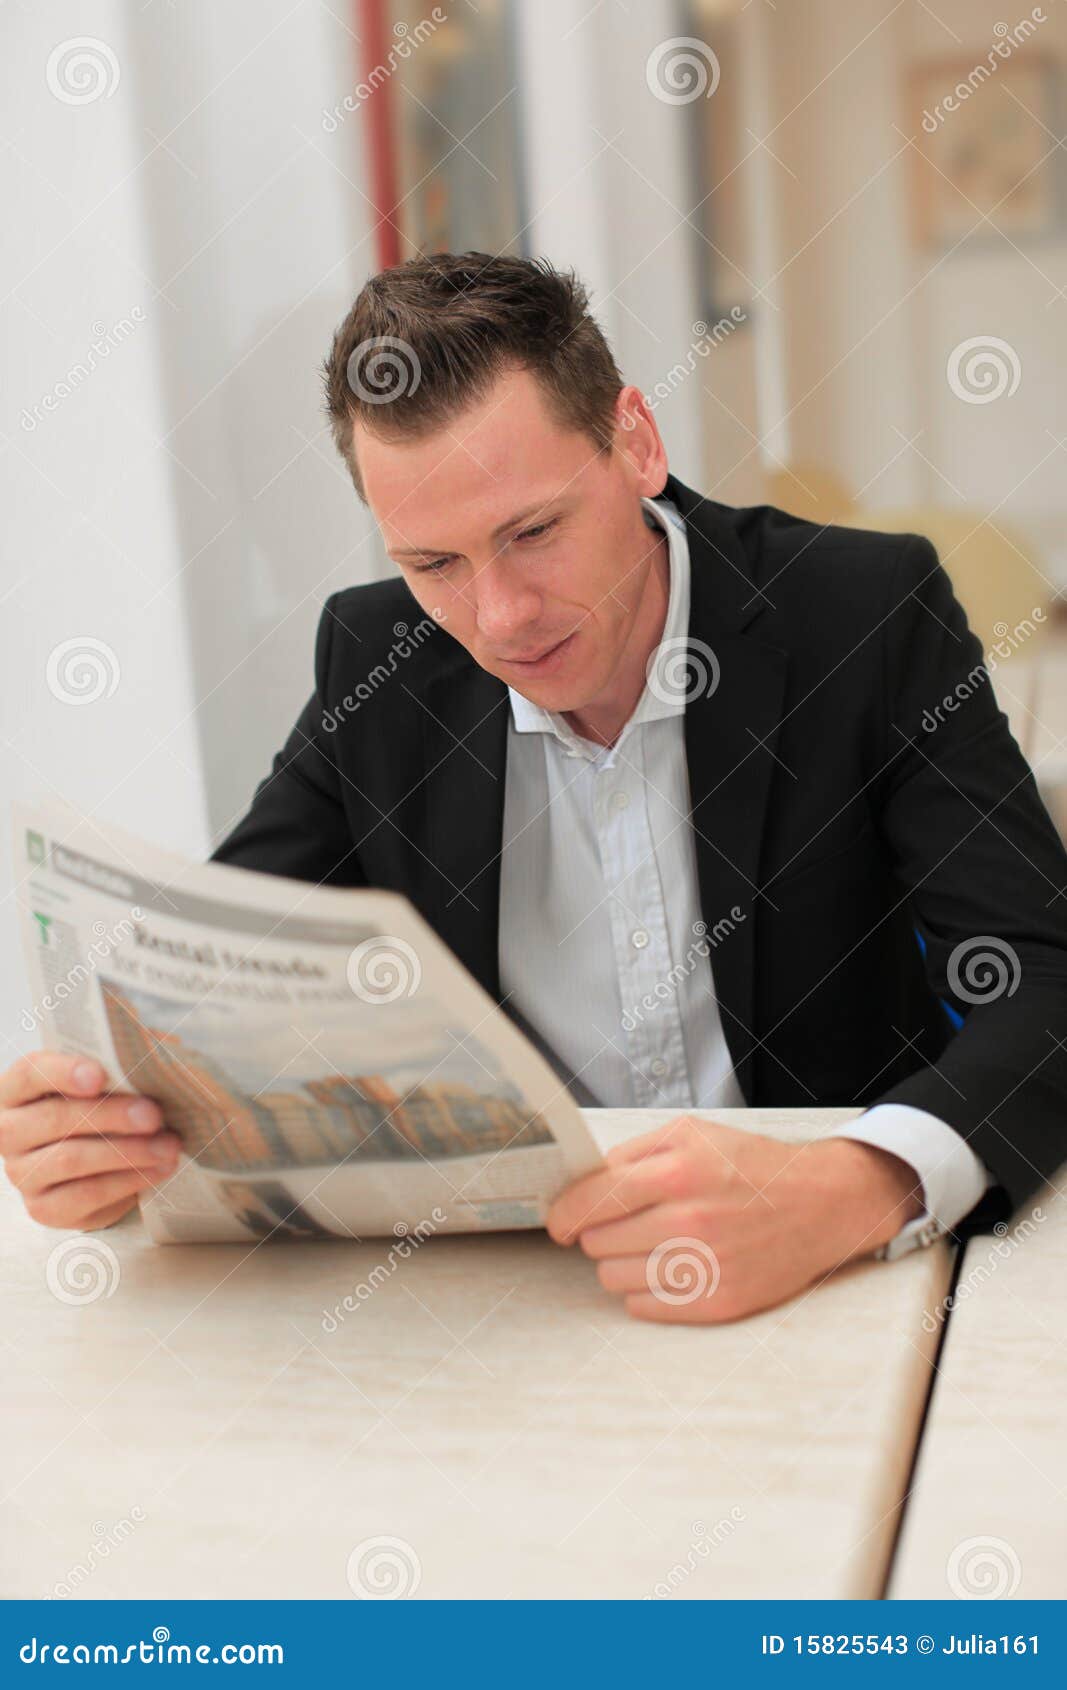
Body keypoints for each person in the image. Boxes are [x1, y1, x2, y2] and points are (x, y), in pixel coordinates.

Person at [4, 251, 1066, 1325]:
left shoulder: (860, 615)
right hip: (517, 1297)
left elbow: (1045, 977)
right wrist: (103, 1136)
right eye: (435, 563)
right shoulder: (379, 667)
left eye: (533, 532)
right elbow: (217, 994)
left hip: (837, 1284)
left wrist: (850, 1184)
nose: (500, 616)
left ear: (635, 443)